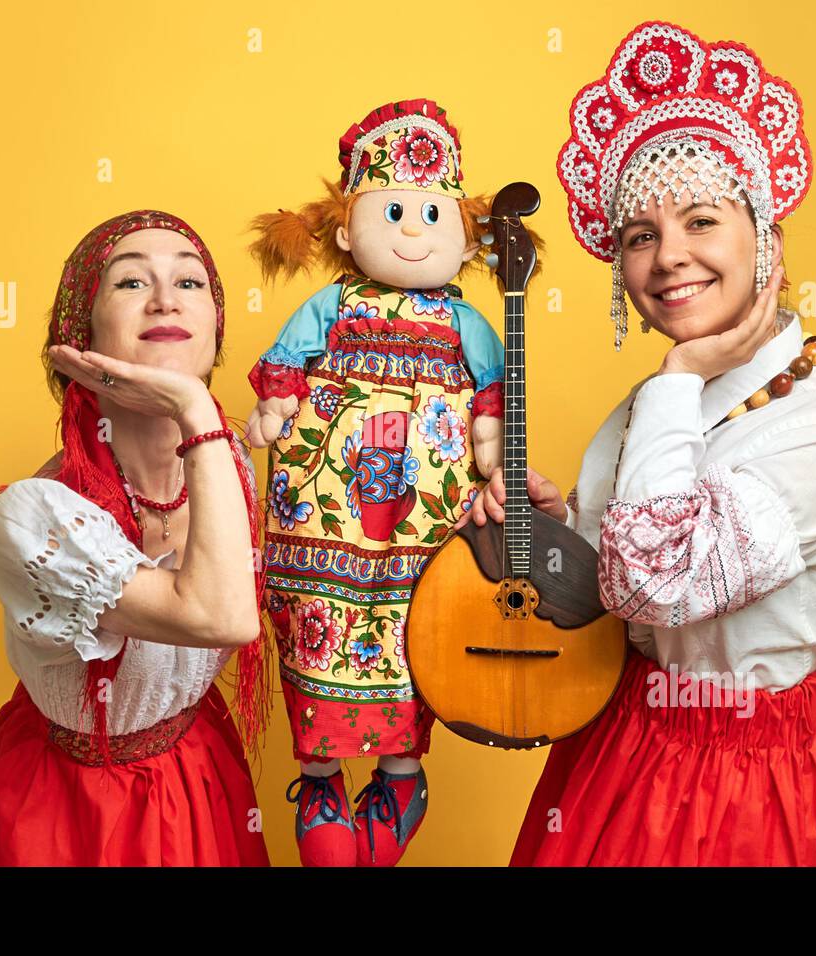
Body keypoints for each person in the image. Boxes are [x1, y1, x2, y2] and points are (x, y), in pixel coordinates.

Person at [465, 21, 816, 865]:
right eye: (639, 237)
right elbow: (615, 600)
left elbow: (662, 585)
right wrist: (559, 534)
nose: (669, 260)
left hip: (765, 776)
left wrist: (680, 371)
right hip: (620, 751)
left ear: (764, 236)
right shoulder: (647, 409)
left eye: (701, 220)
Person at [0, 210, 270, 866]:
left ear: (215, 325)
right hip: (69, 812)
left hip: (199, 771)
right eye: (130, 283)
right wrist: (195, 408)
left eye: (190, 282)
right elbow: (223, 616)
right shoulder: (35, 518)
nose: (165, 298)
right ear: (81, 334)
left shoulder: (228, 462)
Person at [244, 99, 512, 866]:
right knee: (315, 616)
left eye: (431, 214)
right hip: (322, 512)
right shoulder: (332, 304)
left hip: (423, 521)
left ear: (467, 241)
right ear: (343, 230)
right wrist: (277, 404)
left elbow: (493, 392)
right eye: (392, 211)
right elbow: (286, 363)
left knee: (415, 624)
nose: (412, 228)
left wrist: (490, 440)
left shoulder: (467, 325)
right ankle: (321, 775)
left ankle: (400, 775)